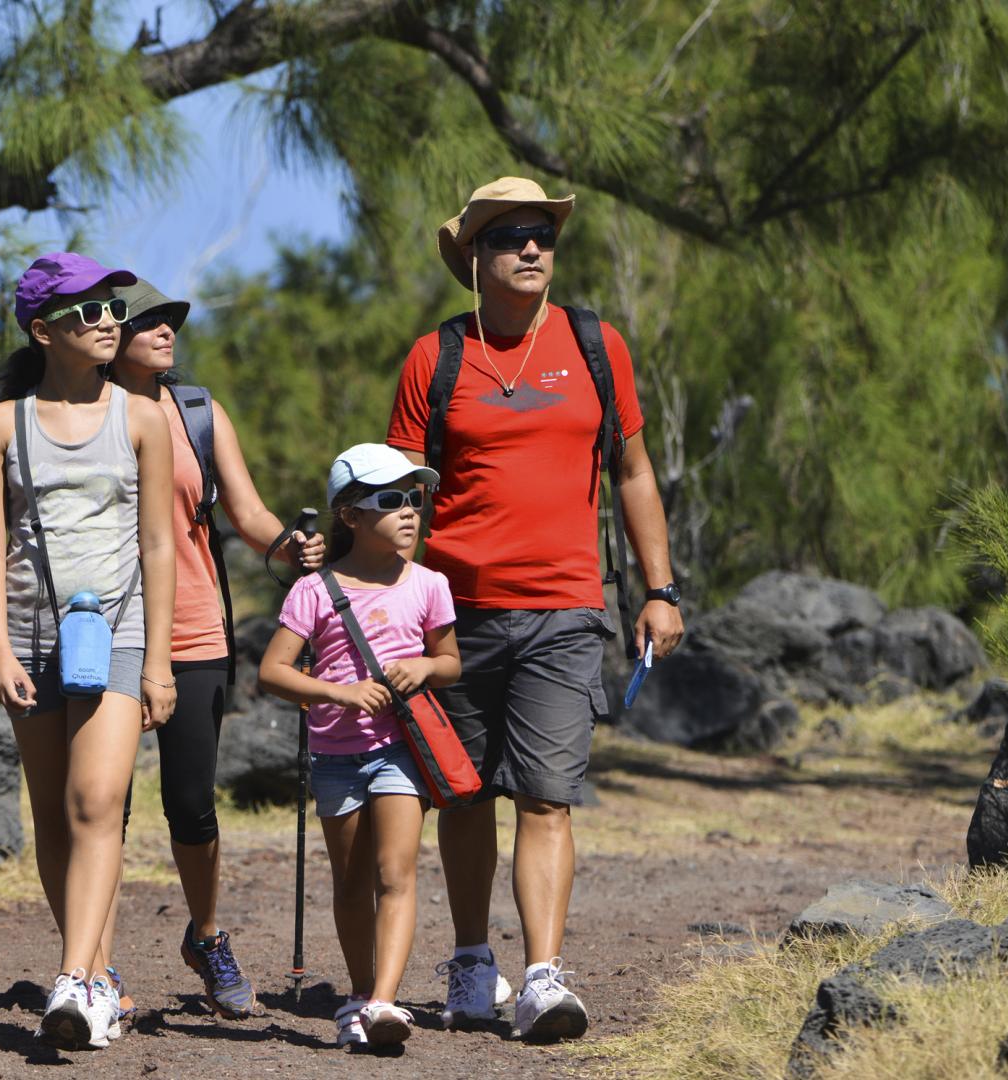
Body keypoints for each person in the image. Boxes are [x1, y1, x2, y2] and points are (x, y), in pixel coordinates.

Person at [385, 177, 685, 1040]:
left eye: (543, 235)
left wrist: (659, 590)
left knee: (548, 797)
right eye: (511, 235)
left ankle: (545, 974)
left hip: (565, 608)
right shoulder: (433, 359)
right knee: (466, 794)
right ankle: (475, 962)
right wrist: (381, 601)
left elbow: (632, 473)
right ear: (474, 258)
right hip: (455, 614)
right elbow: (399, 494)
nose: (531, 248)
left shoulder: (596, 346)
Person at [99, 277, 323, 1021]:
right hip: (103, 631)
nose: (167, 329)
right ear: (108, 332)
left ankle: (206, 936)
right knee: (104, 805)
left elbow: (248, 511)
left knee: (191, 804)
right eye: (148, 320)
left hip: (196, 631)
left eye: (172, 320)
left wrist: (290, 547)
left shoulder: (196, 411)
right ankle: (94, 960)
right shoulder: (80, 411)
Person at [0, 252, 177, 1051]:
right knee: (54, 815)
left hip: (119, 630)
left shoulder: (141, 417)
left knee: (97, 804)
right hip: (30, 635)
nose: (106, 322)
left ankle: (75, 979)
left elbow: (159, 544)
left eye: (110, 309)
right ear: (43, 329)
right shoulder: (2, 424)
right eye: (86, 311)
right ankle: (100, 975)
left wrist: (158, 660)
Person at [256, 444, 461, 1050]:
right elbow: (273, 672)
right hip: (336, 756)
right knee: (350, 884)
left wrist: (424, 669)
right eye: (390, 500)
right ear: (348, 515)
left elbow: (451, 662)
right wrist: (338, 693)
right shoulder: (314, 591)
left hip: (402, 749)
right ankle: (358, 990)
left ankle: (383, 1003)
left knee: (395, 873)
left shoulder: (429, 583)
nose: (408, 513)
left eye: (415, 499)